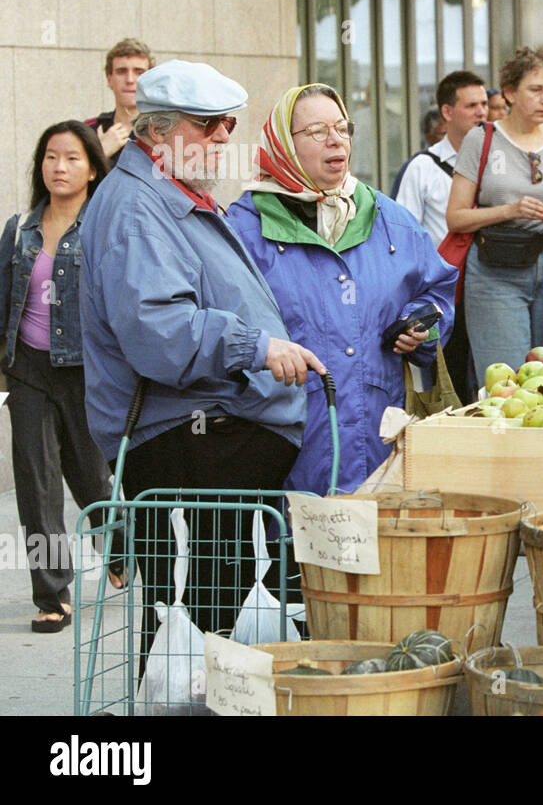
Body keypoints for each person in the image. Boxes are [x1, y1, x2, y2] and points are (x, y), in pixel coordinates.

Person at [79, 60, 323, 663]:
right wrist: (257, 347)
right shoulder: (138, 208)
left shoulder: (172, 193)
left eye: (228, 124)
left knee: (206, 617)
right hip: (184, 441)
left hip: (205, 437)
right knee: (188, 628)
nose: (222, 137)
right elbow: (159, 334)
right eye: (207, 125)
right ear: (156, 133)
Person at [228, 83, 458, 496]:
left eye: (342, 128)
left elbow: (438, 292)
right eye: (317, 131)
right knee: (298, 550)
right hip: (287, 440)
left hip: (379, 434)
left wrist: (420, 329)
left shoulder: (388, 219)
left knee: (377, 548)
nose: (336, 140)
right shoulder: (246, 228)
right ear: (283, 143)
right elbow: (228, 331)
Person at [0, 121, 112, 632]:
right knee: (36, 482)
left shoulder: (105, 226)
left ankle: (119, 546)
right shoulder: (18, 228)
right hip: (28, 369)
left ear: (92, 168)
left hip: (86, 369)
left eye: (70, 158)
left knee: (92, 478)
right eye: (50, 157)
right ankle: (52, 594)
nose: (59, 167)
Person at [445, 46, 543, 384]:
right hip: (497, 269)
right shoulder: (481, 139)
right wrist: (509, 210)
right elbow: (456, 217)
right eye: (535, 89)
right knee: (504, 382)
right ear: (509, 92)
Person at [394, 72, 487, 404]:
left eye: (485, 104)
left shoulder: (498, 162)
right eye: (471, 105)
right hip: (449, 295)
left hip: (494, 285)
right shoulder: (422, 168)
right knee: (455, 379)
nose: (481, 112)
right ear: (447, 112)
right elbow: (404, 239)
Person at [84, 38, 154, 168]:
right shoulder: (88, 131)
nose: (130, 80)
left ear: (150, 81)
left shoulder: (164, 131)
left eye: (139, 72)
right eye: (121, 71)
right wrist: (100, 152)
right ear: (109, 79)